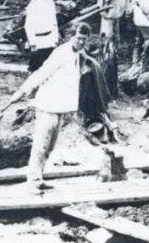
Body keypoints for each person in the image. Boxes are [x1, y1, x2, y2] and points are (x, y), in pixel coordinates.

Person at [10, 21, 103, 192]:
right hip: (47, 105)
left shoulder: (79, 54)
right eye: (79, 38)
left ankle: (39, 177)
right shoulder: (61, 53)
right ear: (71, 36)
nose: (81, 42)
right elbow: (41, 73)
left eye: (84, 39)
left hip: (60, 107)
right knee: (41, 144)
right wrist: (22, 91)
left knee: (50, 147)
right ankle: (32, 180)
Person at [23, 0, 61, 72]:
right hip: (38, 42)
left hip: (50, 41)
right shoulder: (34, 3)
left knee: (49, 71)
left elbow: (54, 23)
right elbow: (28, 25)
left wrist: (55, 40)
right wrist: (33, 44)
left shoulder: (51, 2)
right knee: (34, 71)